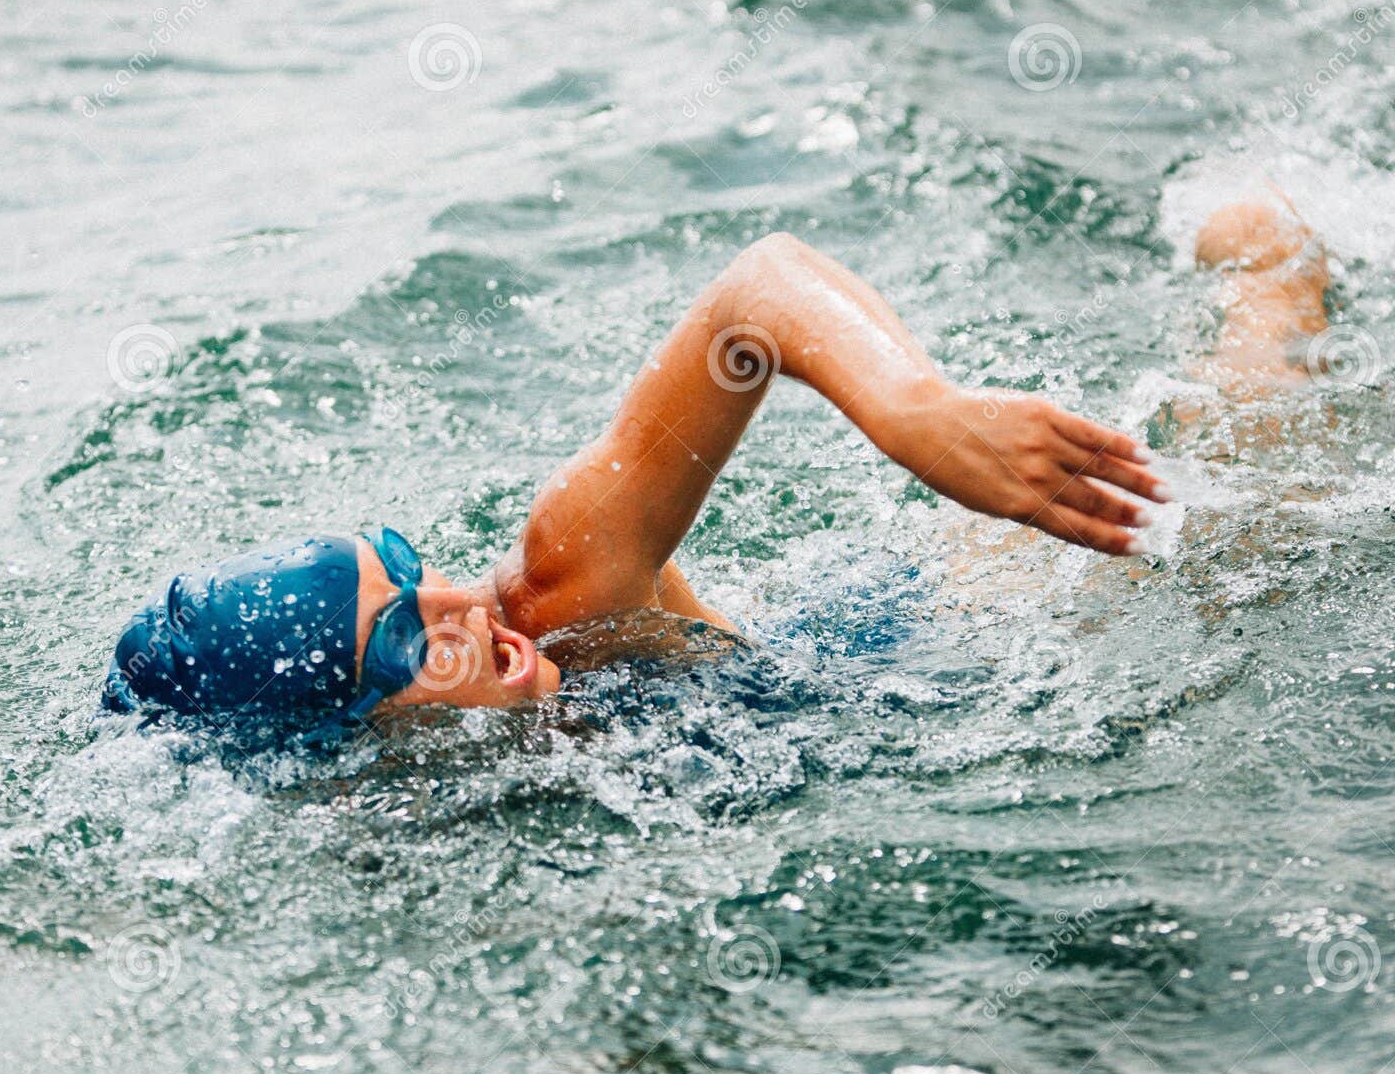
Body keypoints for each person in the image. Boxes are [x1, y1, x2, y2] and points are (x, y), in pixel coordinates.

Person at [104, 215, 1281, 728]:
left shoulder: (563, 594)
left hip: (949, 638)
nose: (467, 604)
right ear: (334, 739)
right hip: (852, 676)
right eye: (409, 641)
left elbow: (754, 297)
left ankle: (1273, 265)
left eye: (410, 571)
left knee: (1251, 497)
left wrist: (918, 415)